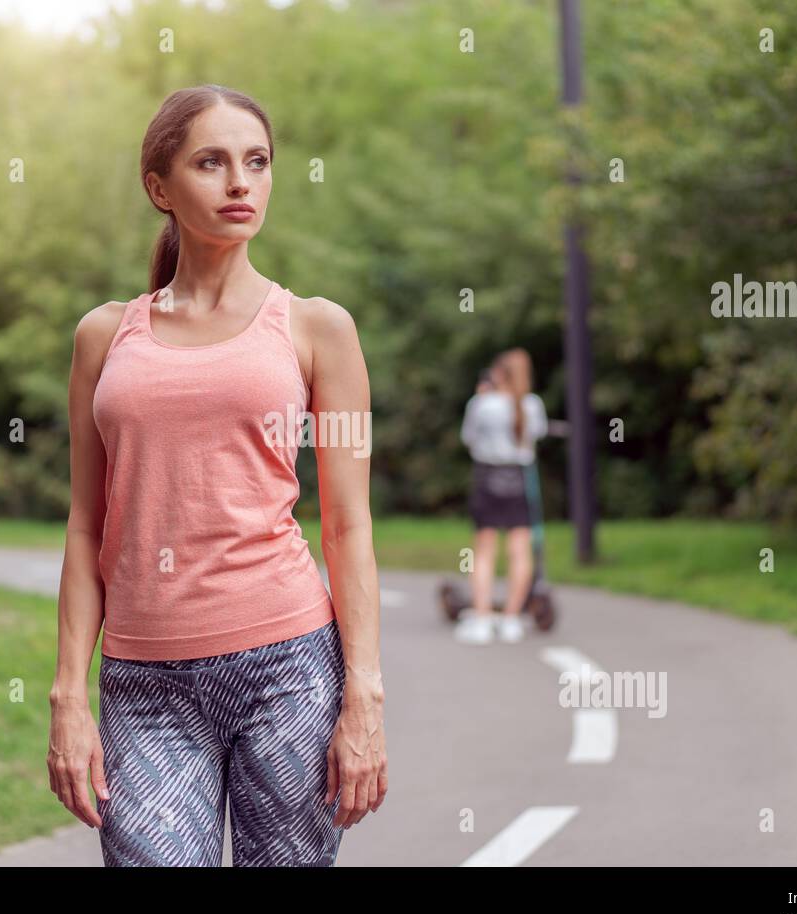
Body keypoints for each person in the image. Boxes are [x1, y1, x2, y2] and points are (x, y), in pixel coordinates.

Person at [47, 85, 388, 867]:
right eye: (212, 162)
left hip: (289, 668)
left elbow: (348, 524)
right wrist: (69, 692)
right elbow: (86, 526)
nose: (241, 182)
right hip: (145, 686)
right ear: (159, 188)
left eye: (257, 162)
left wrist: (363, 692)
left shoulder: (317, 330)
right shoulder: (105, 337)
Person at [457, 348, 548, 644]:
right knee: (520, 550)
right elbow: (539, 434)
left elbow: (468, 438)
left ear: (499, 373)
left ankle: (482, 619)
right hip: (519, 478)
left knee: (484, 550)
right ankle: (510, 619)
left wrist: (482, 395)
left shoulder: (482, 403)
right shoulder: (532, 404)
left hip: (488, 476)